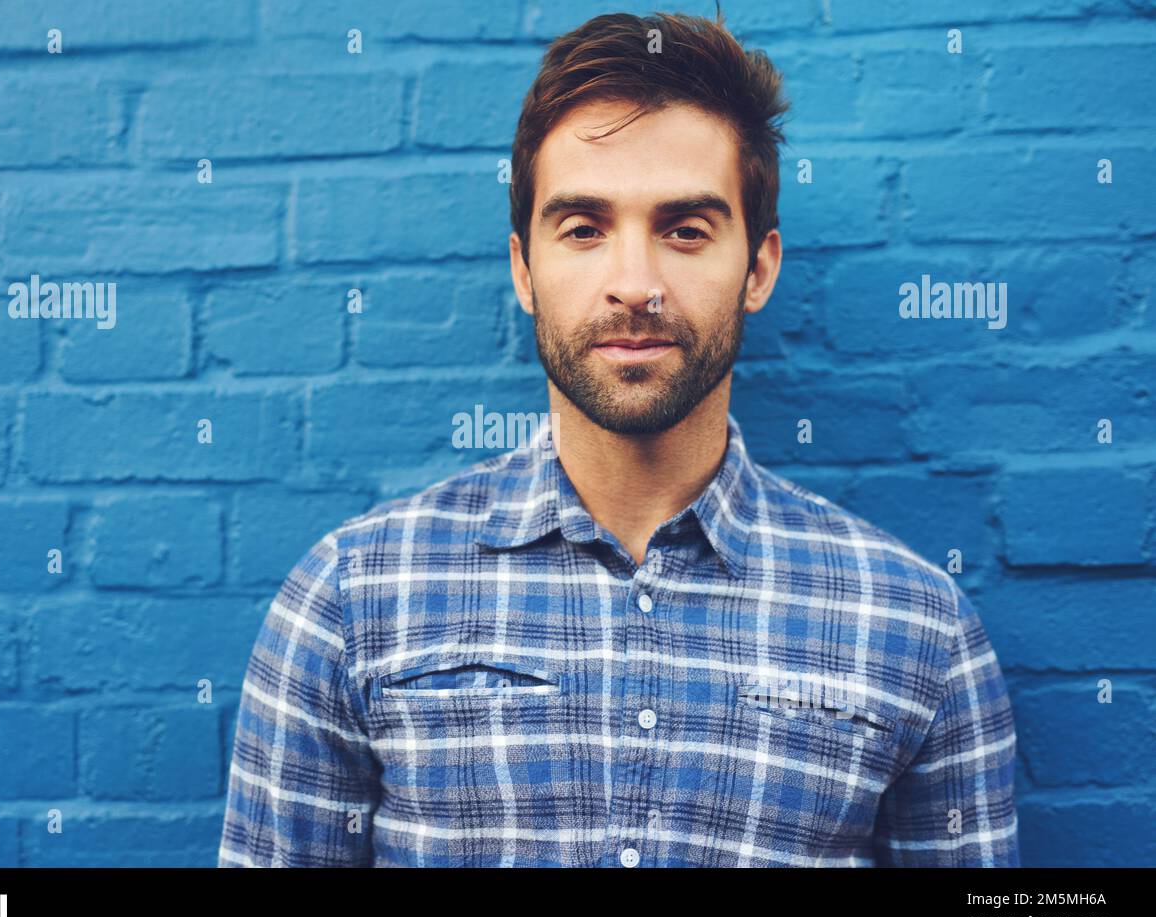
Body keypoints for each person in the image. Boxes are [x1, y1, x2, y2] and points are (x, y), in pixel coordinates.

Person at [218, 10, 1019, 867]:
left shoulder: (915, 629)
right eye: (584, 228)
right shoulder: (353, 600)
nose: (634, 285)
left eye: (685, 229)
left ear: (759, 268)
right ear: (524, 269)